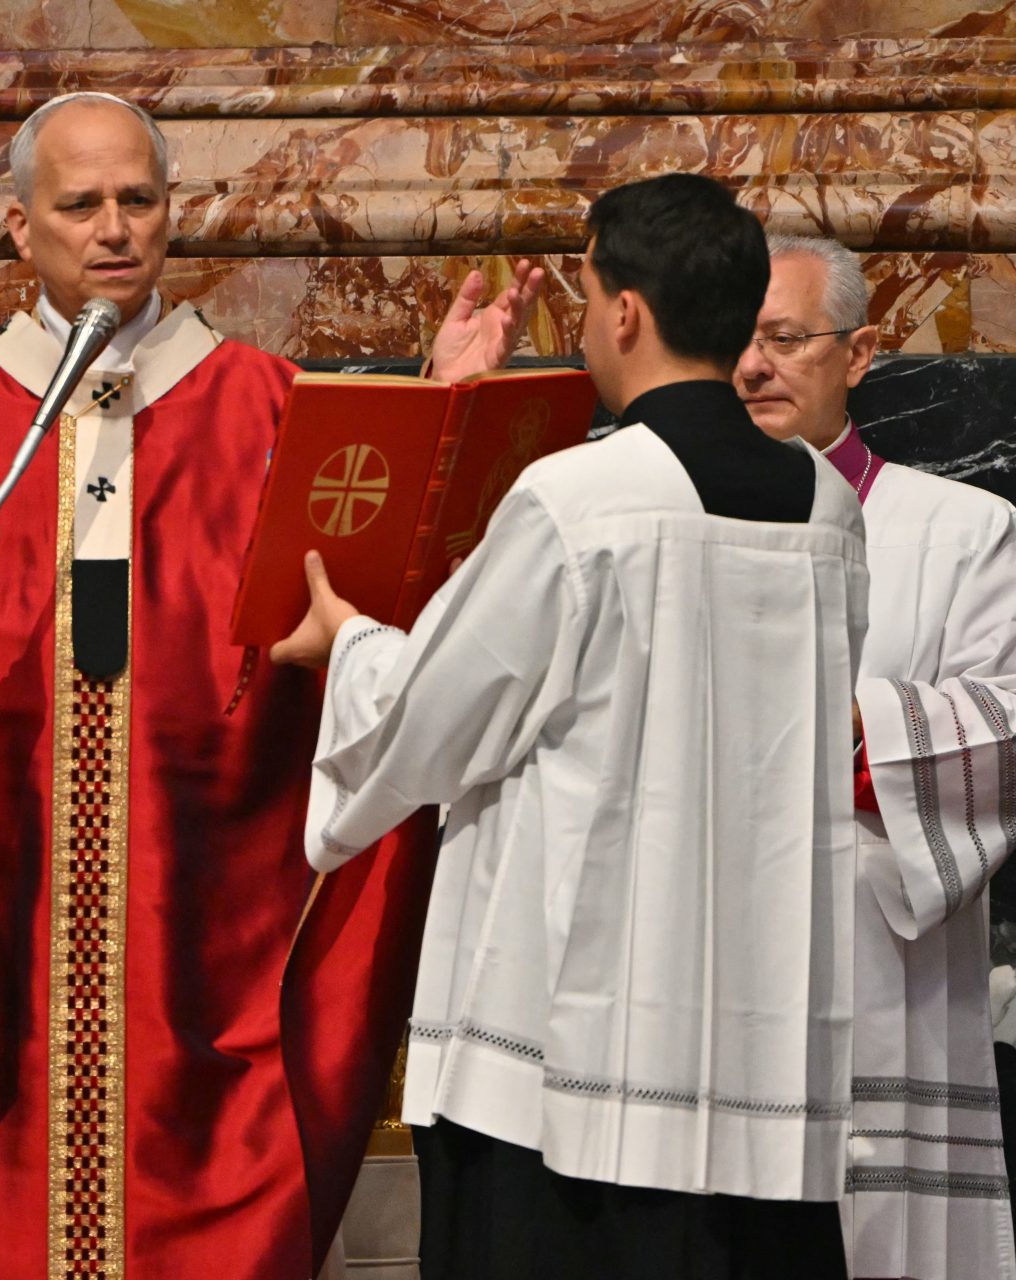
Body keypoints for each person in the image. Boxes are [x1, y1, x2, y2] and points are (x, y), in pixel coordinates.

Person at [0, 90, 542, 1280]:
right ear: (18, 229)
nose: (114, 228)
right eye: (79, 205)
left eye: (139, 199)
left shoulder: (272, 412)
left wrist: (438, 407)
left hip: (206, 934)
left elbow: (392, 619)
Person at [272, 173, 868, 1279]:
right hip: (758, 1039)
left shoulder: (581, 499)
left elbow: (430, 723)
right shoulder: (826, 507)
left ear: (627, 311)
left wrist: (347, 638)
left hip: (569, 1071)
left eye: (586, 291)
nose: (583, 318)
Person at [735, 233, 1016, 1280]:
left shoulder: (964, 529)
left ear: (859, 355)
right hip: (715, 973)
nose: (753, 365)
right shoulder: (679, 524)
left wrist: (860, 726)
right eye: (737, 339)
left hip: (878, 976)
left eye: (786, 338)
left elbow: (1006, 725)